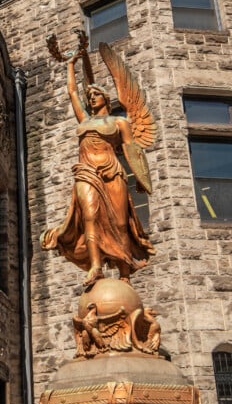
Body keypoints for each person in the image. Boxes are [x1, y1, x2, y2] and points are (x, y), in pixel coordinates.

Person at [41, 51, 154, 289]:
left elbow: (133, 150)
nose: (91, 98)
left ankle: (125, 270)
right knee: (89, 217)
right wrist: (71, 64)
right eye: (89, 96)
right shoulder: (83, 120)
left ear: (105, 98)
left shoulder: (119, 122)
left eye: (95, 95)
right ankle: (96, 266)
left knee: (121, 223)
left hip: (112, 173)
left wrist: (142, 180)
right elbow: (72, 92)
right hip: (86, 173)